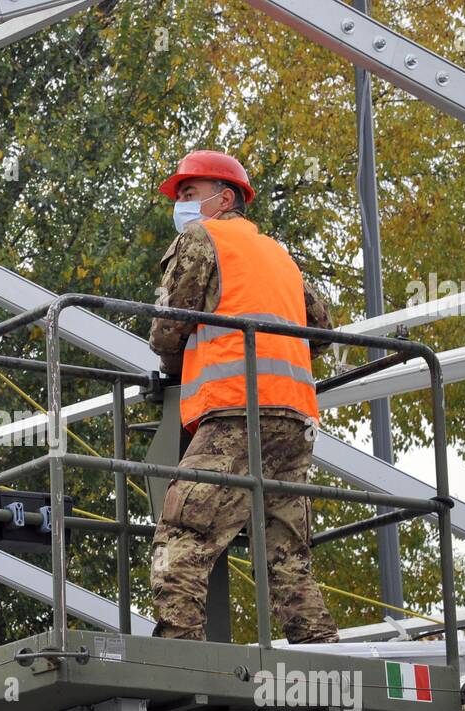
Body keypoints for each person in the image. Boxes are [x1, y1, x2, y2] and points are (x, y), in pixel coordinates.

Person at [148, 149, 339, 644]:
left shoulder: (201, 237)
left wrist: (173, 367)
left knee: (184, 533)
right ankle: (321, 656)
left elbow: (169, 327)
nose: (182, 206)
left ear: (224, 197)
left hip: (234, 413)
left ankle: (180, 656)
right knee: (286, 553)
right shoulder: (279, 255)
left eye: (189, 194)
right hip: (294, 421)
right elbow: (321, 329)